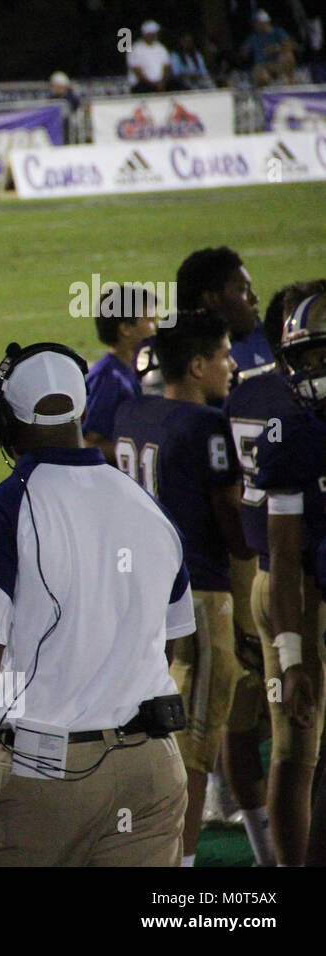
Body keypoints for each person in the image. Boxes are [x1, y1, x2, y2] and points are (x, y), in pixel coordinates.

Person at [0, 343, 191, 866]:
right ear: (82, 412)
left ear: (4, 423)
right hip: (151, 768)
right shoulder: (148, 507)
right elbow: (170, 639)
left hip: (43, 775)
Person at [113, 309, 250, 866]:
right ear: (197, 366)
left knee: (142, 735)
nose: (231, 365)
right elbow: (234, 532)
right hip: (196, 594)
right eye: (222, 355)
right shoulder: (204, 426)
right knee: (193, 745)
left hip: (134, 592)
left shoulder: (130, 409)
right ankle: (179, 868)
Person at [224, 280, 326, 866]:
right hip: (297, 590)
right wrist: (290, 657)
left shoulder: (250, 397)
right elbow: (287, 555)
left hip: (272, 576)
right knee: (297, 751)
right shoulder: (287, 427)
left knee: (297, 751)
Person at [82, 283, 157, 461]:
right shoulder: (108, 378)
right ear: (126, 329)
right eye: (149, 320)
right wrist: (141, 450)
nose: (155, 327)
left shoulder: (136, 368)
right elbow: (89, 442)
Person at [177, 246, 265, 368]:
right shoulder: (178, 363)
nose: (255, 298)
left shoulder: (267, 338)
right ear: (212, 299)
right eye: (243, 290)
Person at [242, 9, 297, 86]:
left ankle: (291, 83)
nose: (255, 25)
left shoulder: (278, 32)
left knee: (289, 56)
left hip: (277, 62)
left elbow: (290, 46)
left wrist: (276, 48)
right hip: (262, 65)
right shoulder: (253, 37)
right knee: (261, 76)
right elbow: (244, 52)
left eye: (257, 23)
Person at [127, 20, 175, 93]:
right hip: (142, 84)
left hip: (161, 83)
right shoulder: (136, 49)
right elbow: (138, 72)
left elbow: (167, 67)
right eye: (152, 33)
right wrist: (154, 84)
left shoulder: (161, 48)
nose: (154, 35)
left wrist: (163, 82)